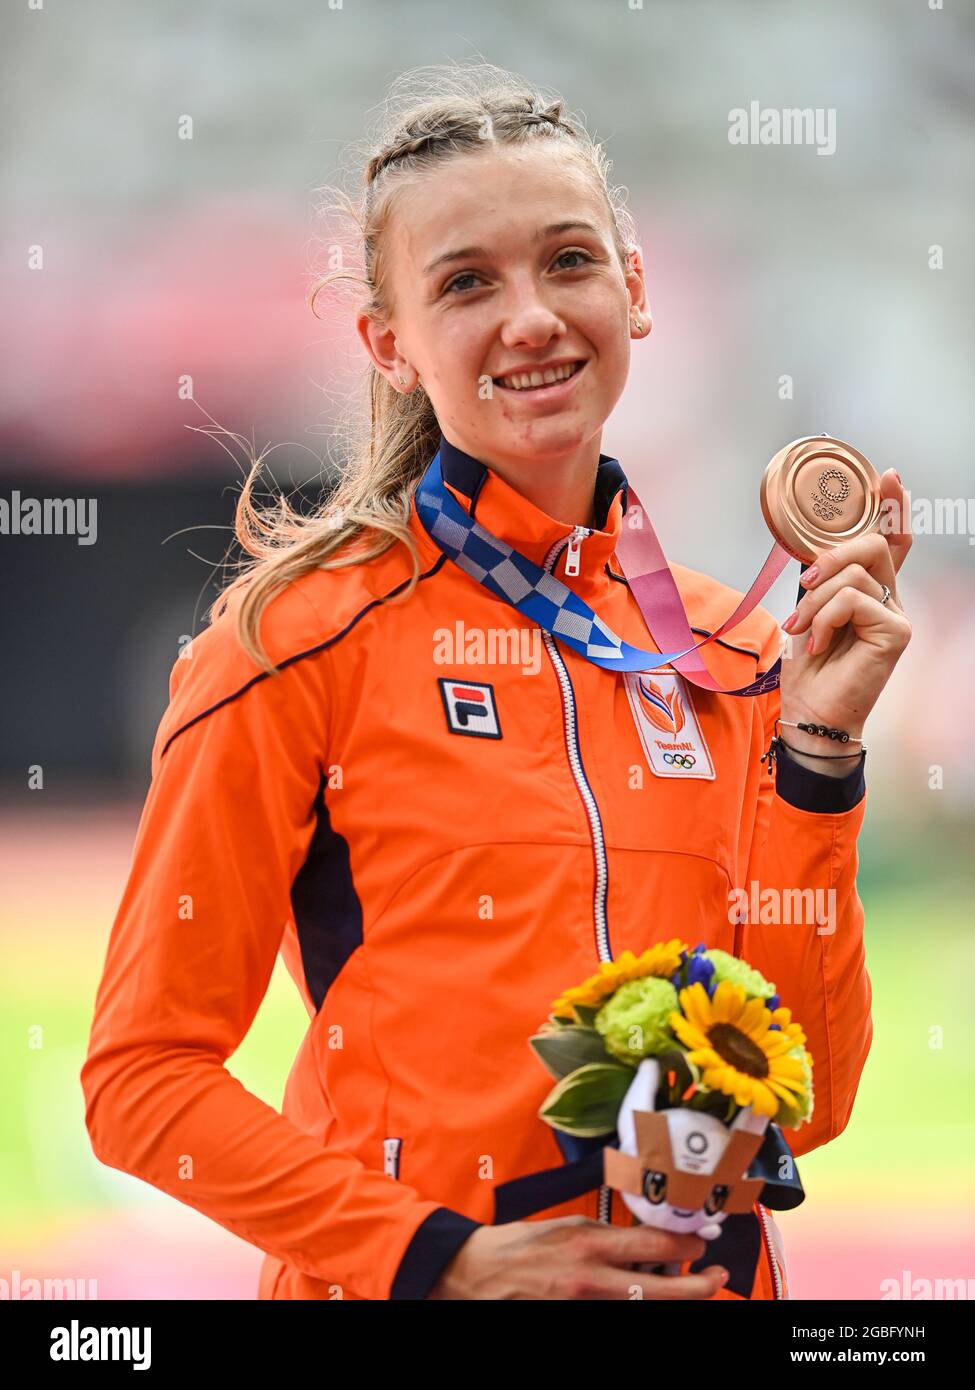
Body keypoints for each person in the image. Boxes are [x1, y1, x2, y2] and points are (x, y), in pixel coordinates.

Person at [80, 62, 913, 1301]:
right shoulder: (295, 642)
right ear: (389, 342)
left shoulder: (732, 652)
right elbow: (140, 1081)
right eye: (466, 282)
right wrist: (441, 1261)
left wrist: (818, 759)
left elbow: (812, 1101)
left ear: (635, 294)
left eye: (569, 261)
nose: (531, 317)